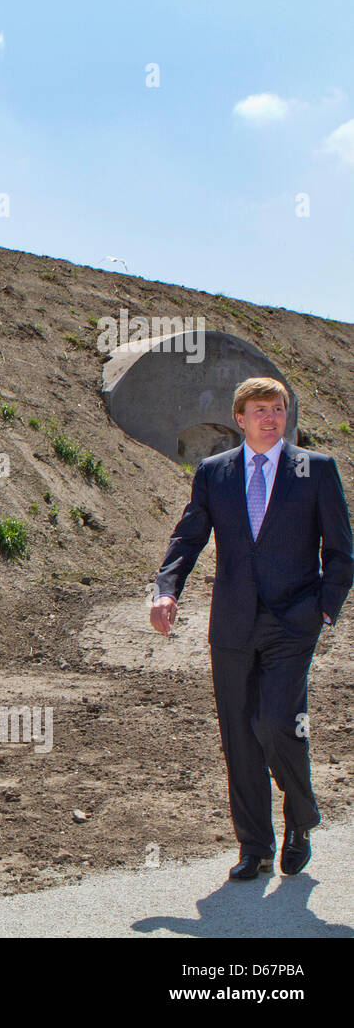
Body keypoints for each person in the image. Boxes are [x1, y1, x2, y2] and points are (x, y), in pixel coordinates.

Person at [151, 377, 352, 882]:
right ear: (239, 418)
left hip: (294, 622)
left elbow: (342, 552)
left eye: (278, 409)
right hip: (234, 622)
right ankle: (256, 846)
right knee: (240, 735)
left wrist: (324, 611)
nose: (271, 418)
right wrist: (166, 589)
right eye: (260, 410)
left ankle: (300, 821)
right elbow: (188, 536)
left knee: (278, 724)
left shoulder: (317, 470)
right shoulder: (215, 472)